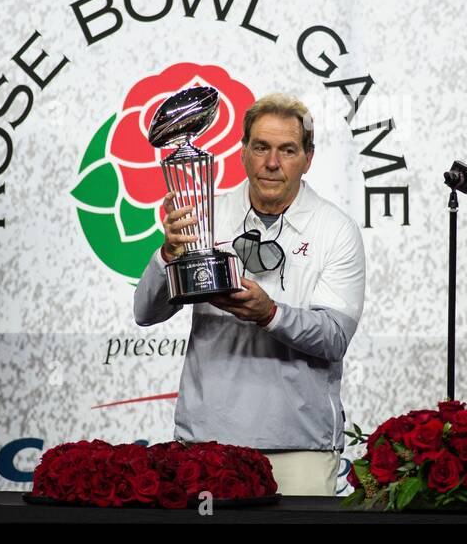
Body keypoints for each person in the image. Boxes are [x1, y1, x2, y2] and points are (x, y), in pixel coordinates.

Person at [133, 93, 366, 495]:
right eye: (261, 147)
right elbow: (145, 312)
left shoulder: (335, 229)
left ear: (308, 158)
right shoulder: (205, 217)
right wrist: (167, 253)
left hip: (298, 448)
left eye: (287, 150)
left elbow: (333, 338)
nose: (272, 163)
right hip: (207, 443)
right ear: (242, 152)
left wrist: (270, 314)